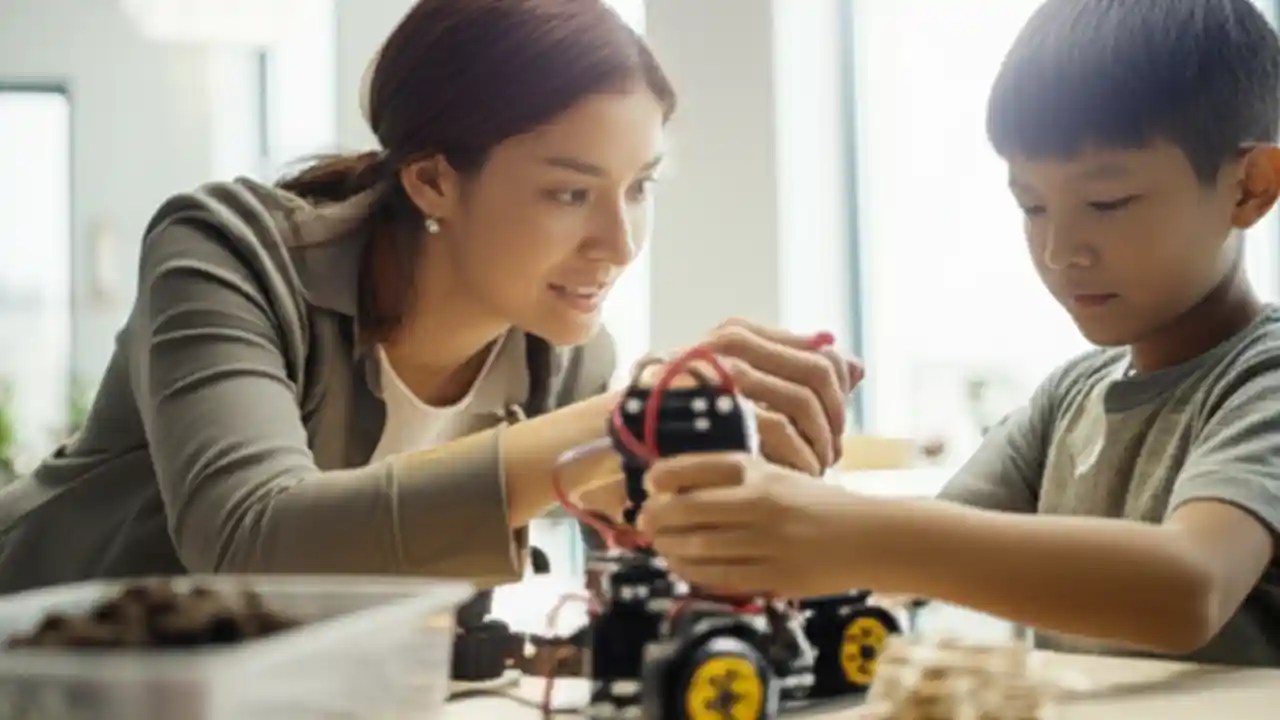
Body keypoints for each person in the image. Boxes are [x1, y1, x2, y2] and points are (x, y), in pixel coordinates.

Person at [0, 0, 861, 595]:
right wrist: (618, 421)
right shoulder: (227, 252)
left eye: (639, 188)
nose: (622, 243)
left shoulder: (559, 352)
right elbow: (249, 541)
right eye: (569, 193)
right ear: (433, 180)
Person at [638, 0, 1280, 668]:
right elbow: (923, 548)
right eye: (1032, 206)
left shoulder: (1262, 382)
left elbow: (1189, 588)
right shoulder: (1071, 396)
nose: (1061, 250)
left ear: (1249, 189)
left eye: (1107, 204)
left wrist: (843, 531)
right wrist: (773, 505)